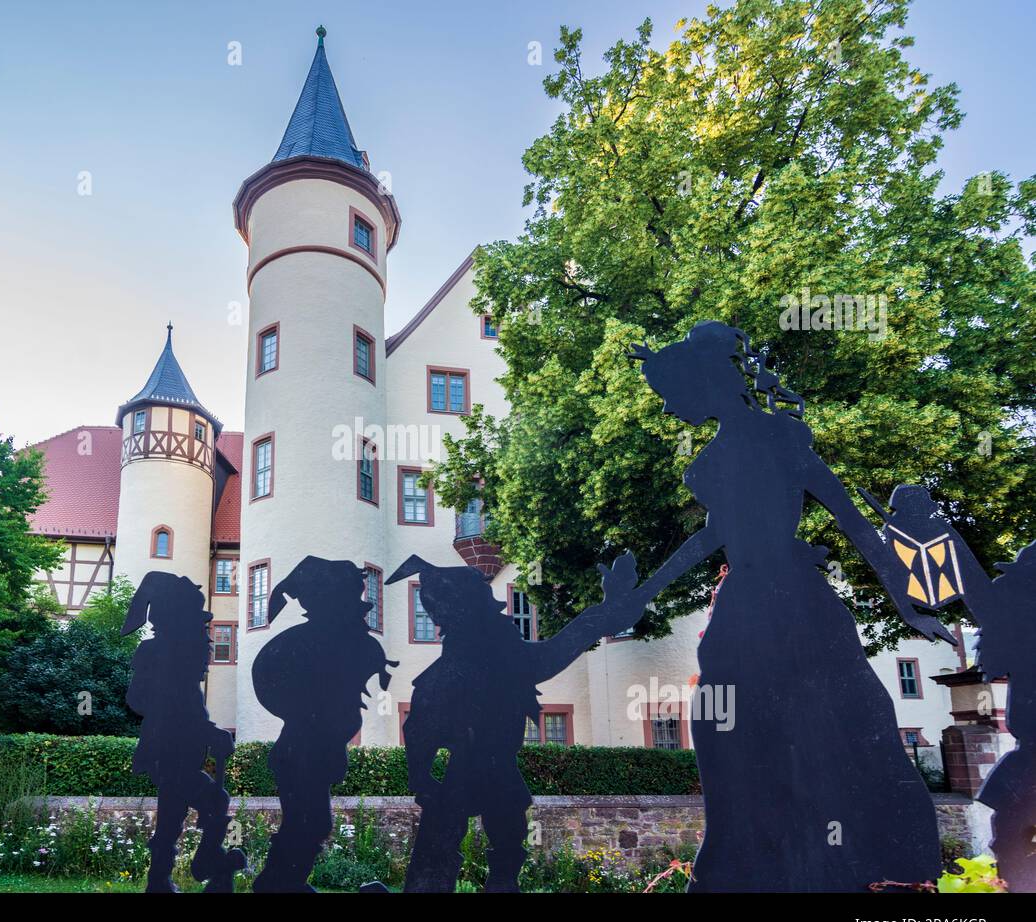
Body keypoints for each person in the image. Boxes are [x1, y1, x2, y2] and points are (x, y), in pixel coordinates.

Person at [617, 320, 952, 891]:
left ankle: (845, 870)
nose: (671, 412)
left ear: (703, 381)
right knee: (728, 734)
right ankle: (745, 867)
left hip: (791, 605)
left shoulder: (780, 440)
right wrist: (639, 596)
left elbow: (851, 518)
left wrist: (911, 601)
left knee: (827, 727)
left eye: (672, 398)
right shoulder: (716, 458)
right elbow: (712, 538)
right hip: (747, 611)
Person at [387, 553, 640, 892]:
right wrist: (605, 612)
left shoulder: (468, 666)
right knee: (463, 839)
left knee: (495, 838)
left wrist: (607, 611)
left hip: (488, 769)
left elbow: (418, 729)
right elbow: (418, 729)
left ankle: (494, 883)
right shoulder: (470, 666)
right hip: (476, 770)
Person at [861, 485, 1035, 892]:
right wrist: (918, 525)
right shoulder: (1013, 622)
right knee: (1010, 841)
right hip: (1027, 766)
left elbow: (975, 587)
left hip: (1028, 769)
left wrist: (915, 526)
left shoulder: (1013, 624)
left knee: (1011, 841)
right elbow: (973, 583)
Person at [251, 557, 396, 892]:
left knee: (310, 821)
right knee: (312, 821)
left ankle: (282, 882)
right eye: (352, 597)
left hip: (304, 752)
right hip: (299, 753)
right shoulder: (317, 645)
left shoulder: (335, 644)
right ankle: (278, 882)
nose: (361, 607)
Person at [122, 572, 244, 892]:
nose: (205, 640)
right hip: (167, 752)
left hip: (182, 753)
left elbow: (186, 709)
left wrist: (206, 731)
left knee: (172, 818)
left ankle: (160, 879)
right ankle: (204, 862)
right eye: (195, 623)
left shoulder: (180, 656)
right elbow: (140, 699)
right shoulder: (158, 653)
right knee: (213, 801)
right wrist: (206, 731)